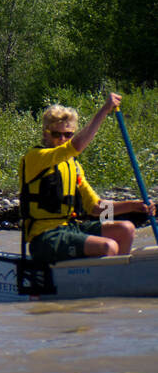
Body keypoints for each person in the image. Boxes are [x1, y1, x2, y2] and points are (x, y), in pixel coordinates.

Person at [20, 92, 155, 264]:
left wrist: (135, 206)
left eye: (68, 134)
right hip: (45, 237)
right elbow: (75, 146)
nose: (62, 139)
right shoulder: (35, 157)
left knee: (126, 229)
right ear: (45, 134)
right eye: (56, 134)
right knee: (108, 247)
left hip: (70, 228)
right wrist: (104, 111)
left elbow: (96, 208)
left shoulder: (73, 166)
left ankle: (117, 276)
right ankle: (105, 281)